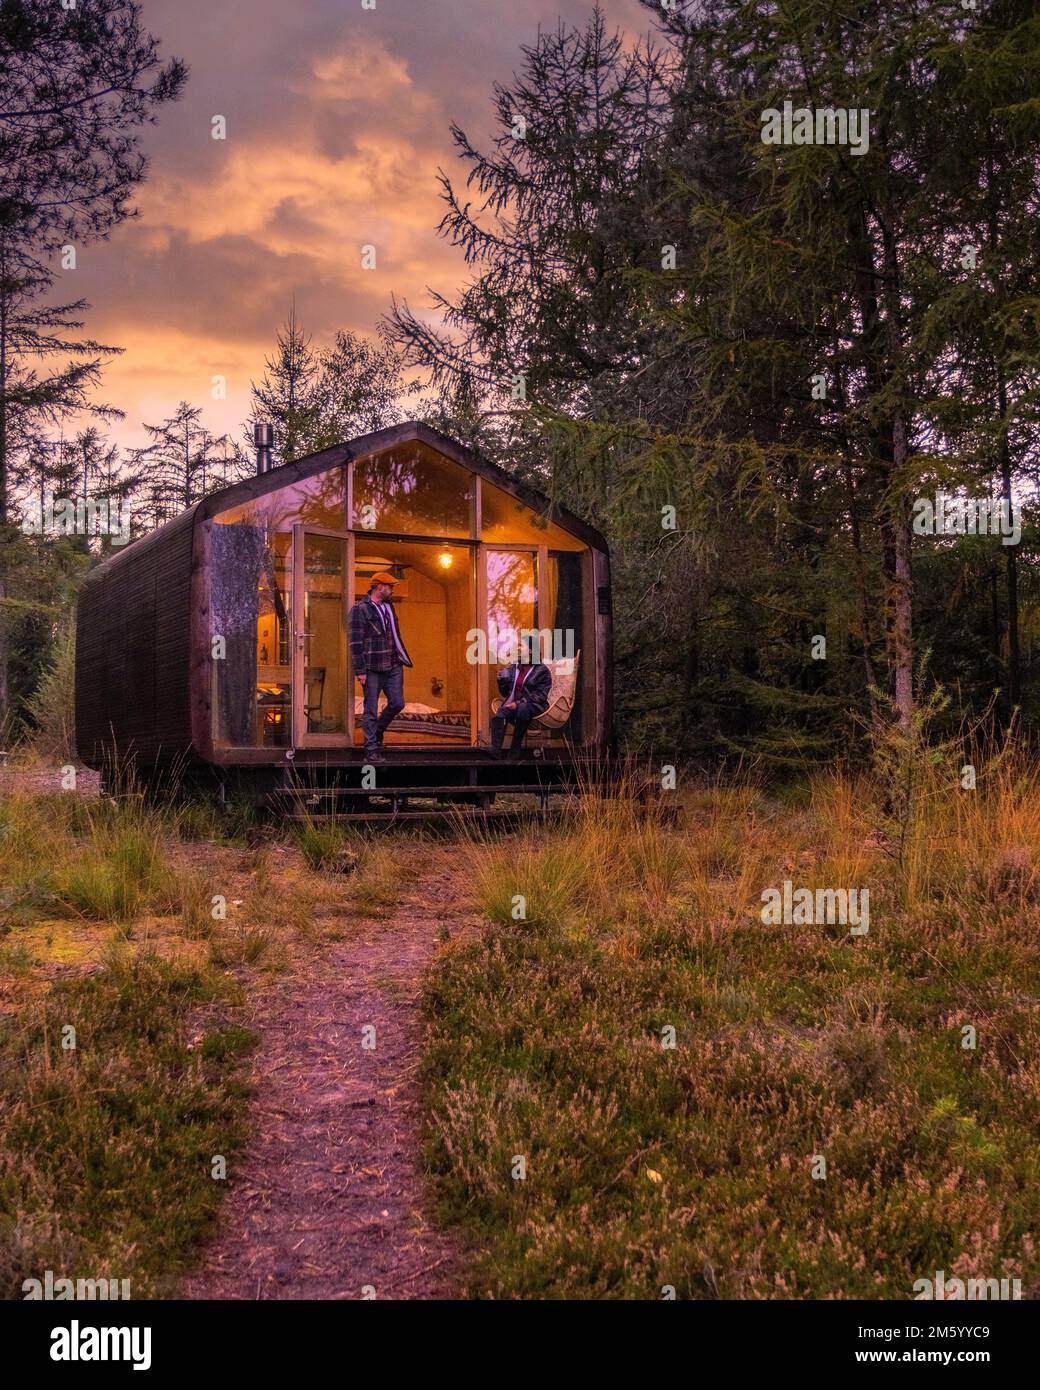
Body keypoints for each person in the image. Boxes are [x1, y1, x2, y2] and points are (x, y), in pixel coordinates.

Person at [348, 571, 412, 761]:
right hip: (372, 666)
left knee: (398, 703)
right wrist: (360, 670)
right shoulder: (360, 609)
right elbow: (355, 642)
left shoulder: (389, 607)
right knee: (370, 708)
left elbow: (394, 633)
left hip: (393, 663)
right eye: (390, 587)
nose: (392, 590)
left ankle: (377, 733)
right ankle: (370, 751)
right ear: (379, 587)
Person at [489, 652, 552, 758]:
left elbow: (541, 695)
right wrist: (501, 681)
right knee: (501, 713)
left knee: (523, 709)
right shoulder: (515, 667)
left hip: (534, 705)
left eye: (521, 646)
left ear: (531, 651)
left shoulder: (542, 670)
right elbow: (505, 693)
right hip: (514, 705)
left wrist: (518, 703)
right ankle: (495, 750)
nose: (518, 649)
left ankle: (515, 749)